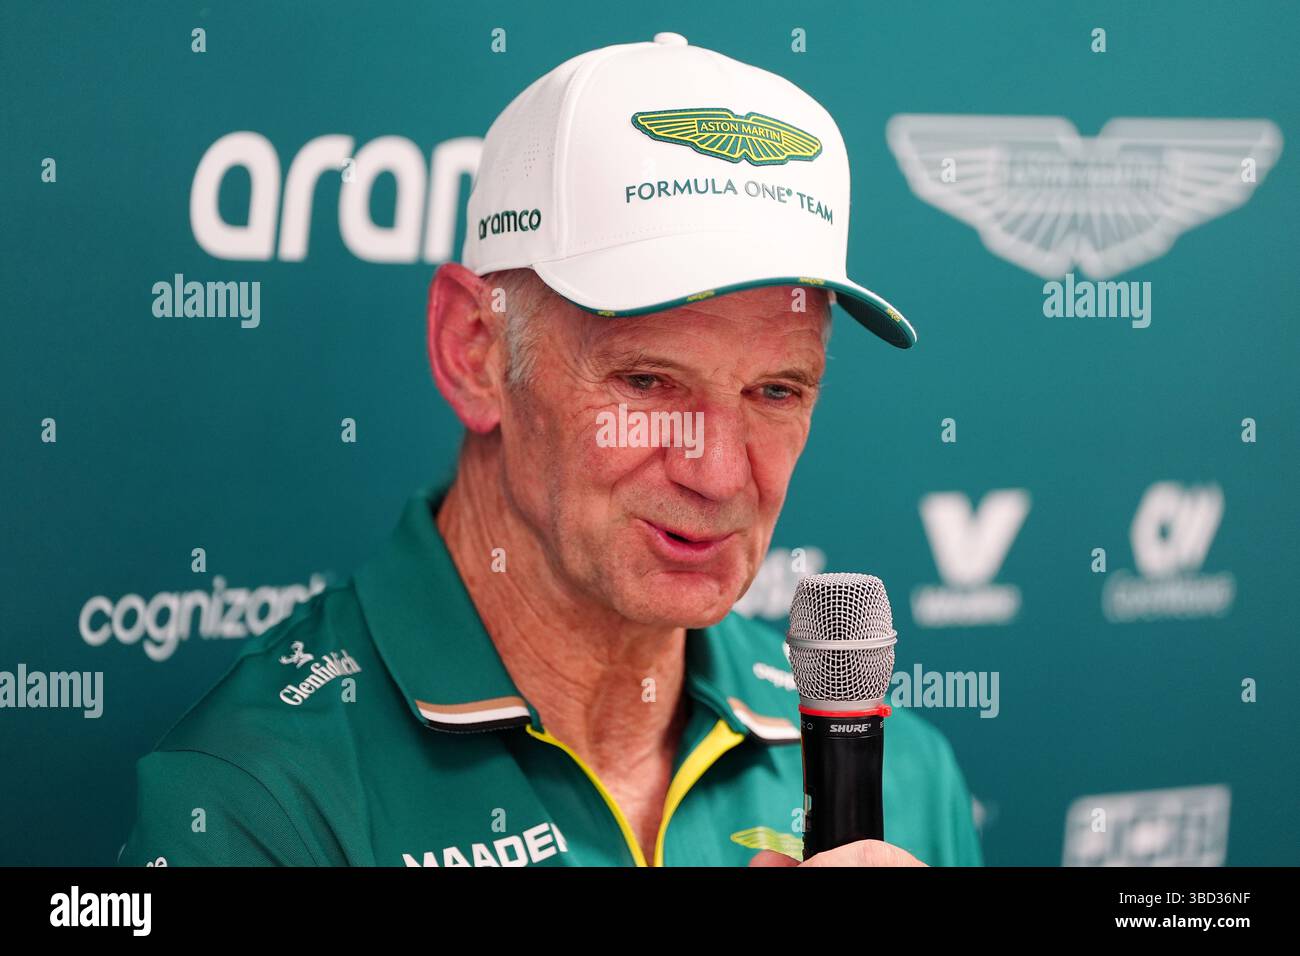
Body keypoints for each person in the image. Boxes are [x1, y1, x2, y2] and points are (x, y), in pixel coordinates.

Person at [119, 33, 980, 867]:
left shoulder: (901, 776)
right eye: (647, 382)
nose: (718, 473)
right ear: (475, 351)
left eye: (776, 391)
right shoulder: (261, 799)